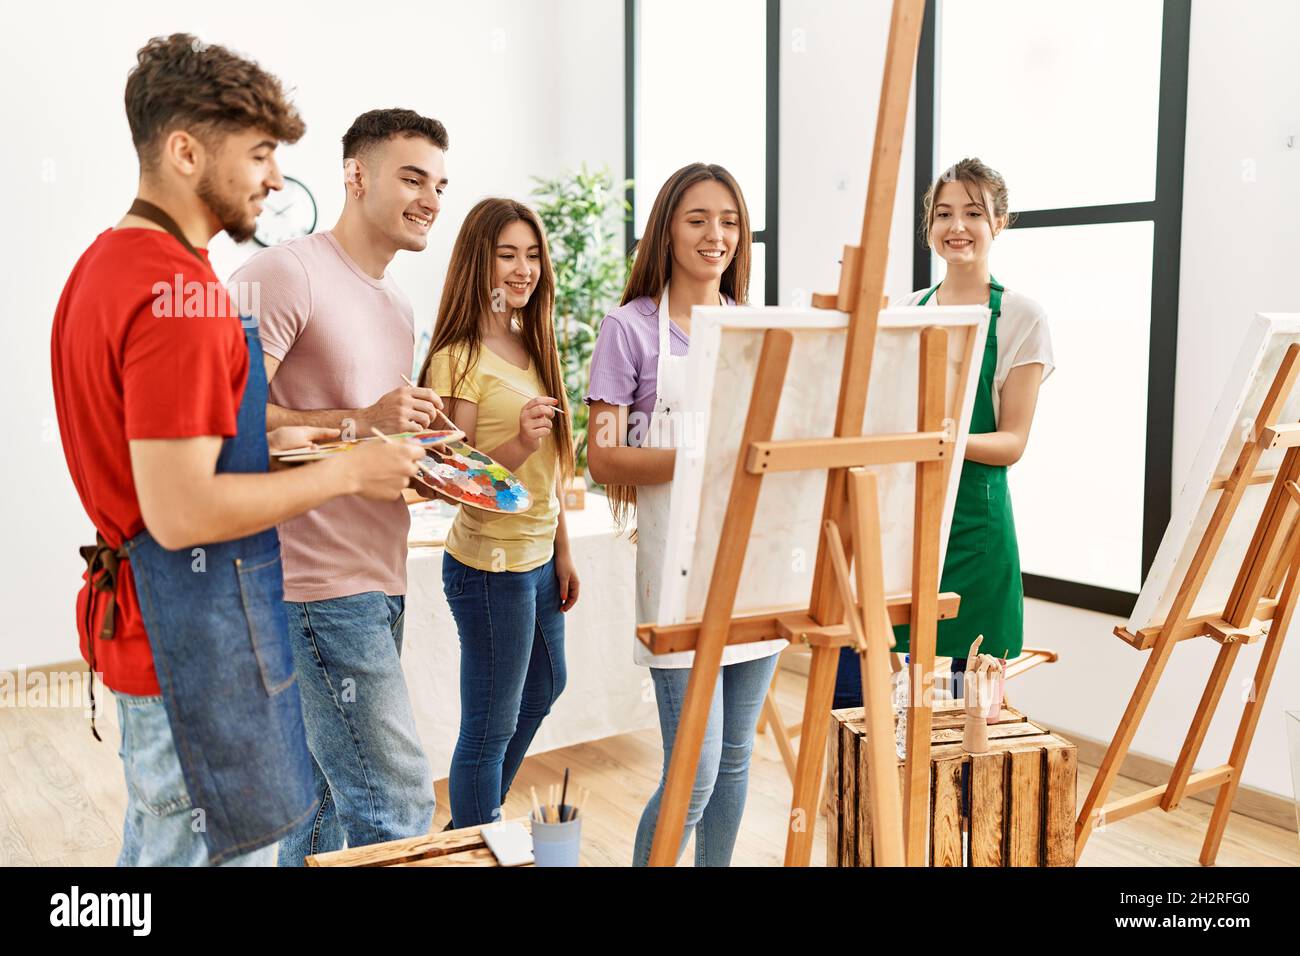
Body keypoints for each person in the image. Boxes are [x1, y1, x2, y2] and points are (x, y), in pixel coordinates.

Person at [49, 35, 424, 866]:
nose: (276, 181)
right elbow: (182, 510)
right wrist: (349, 472)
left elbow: (208, 439)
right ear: (185, 151)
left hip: (161, 631)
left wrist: (342, 427)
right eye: (258, 154)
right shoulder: (177, 297)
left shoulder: (104, 270)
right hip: (195, 637)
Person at [229, 108, 450, 864]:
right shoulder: (285, 272)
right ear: (355, 176)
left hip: (378, 570)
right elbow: (226, 422)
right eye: (412, 177)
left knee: (320, 805)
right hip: (310, 582)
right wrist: (359, 422)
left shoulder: (396, 305)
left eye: (440, 184)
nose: (430, 198)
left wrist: (428, 459)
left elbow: (362, 434)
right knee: (396, 802)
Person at [585, 163, 785, 866]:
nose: (716, 235)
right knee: (693, 771)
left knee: (734, 763)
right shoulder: (630, 329)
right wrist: (706, 459)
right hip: (676, 578)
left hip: (752, 567)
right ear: (667, 227)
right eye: (698, 218)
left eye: (729, 221)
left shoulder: (755, 329)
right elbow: (604, 458)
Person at [832, 156, 1054, 710]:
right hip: (904, 524)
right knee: (889, 708)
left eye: (973, 213)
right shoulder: (908, 311)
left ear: (999, 222)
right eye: (944, 213)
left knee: (966, 718)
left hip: (976, 534)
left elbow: (1011, 443)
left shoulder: (1021, 317)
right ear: (929, 226)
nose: (957, 227)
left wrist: (937, 441)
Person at [418, 198, 578, 828]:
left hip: (538, 559)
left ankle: (474, 823)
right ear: (478, 262)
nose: (523, 269)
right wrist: (517, 443)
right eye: (507, 254)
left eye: (532, 254)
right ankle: (476, 836)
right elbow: (451, 478)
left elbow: (555, 465)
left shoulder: (531, 340)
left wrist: (564, 547)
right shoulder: (456, 355)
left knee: (547, 686)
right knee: (489, 726)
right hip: (490, 568)